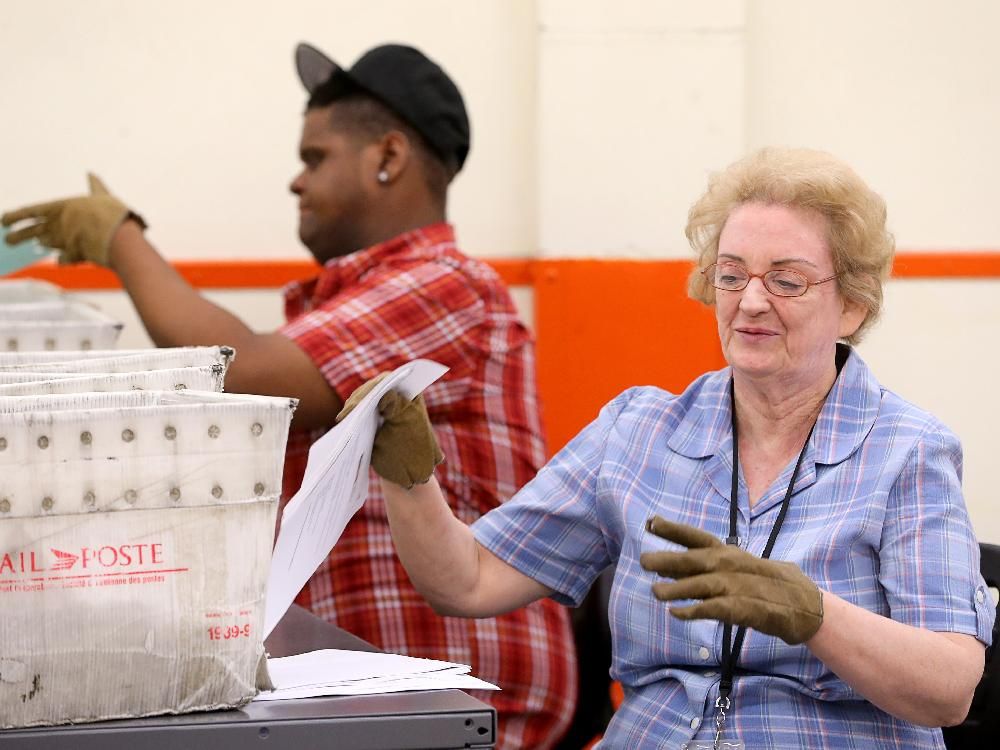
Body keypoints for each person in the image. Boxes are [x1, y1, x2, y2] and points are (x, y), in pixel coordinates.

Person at [1, 41, 576, 749]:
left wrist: (122, 241)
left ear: (387, 157)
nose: (295, 184)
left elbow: (239, 373)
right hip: (368, 697)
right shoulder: (358, 305)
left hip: (459, 703)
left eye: (314, 158)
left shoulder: (445, 284)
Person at [340, 147, 995, 748]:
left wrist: (815, 615)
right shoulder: (639, 430)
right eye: (732, 276)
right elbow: (467, 580)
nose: (751, 303)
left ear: (851, 305)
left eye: (787, 281)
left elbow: (950, 690)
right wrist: (410, 476)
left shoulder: (908, 453)